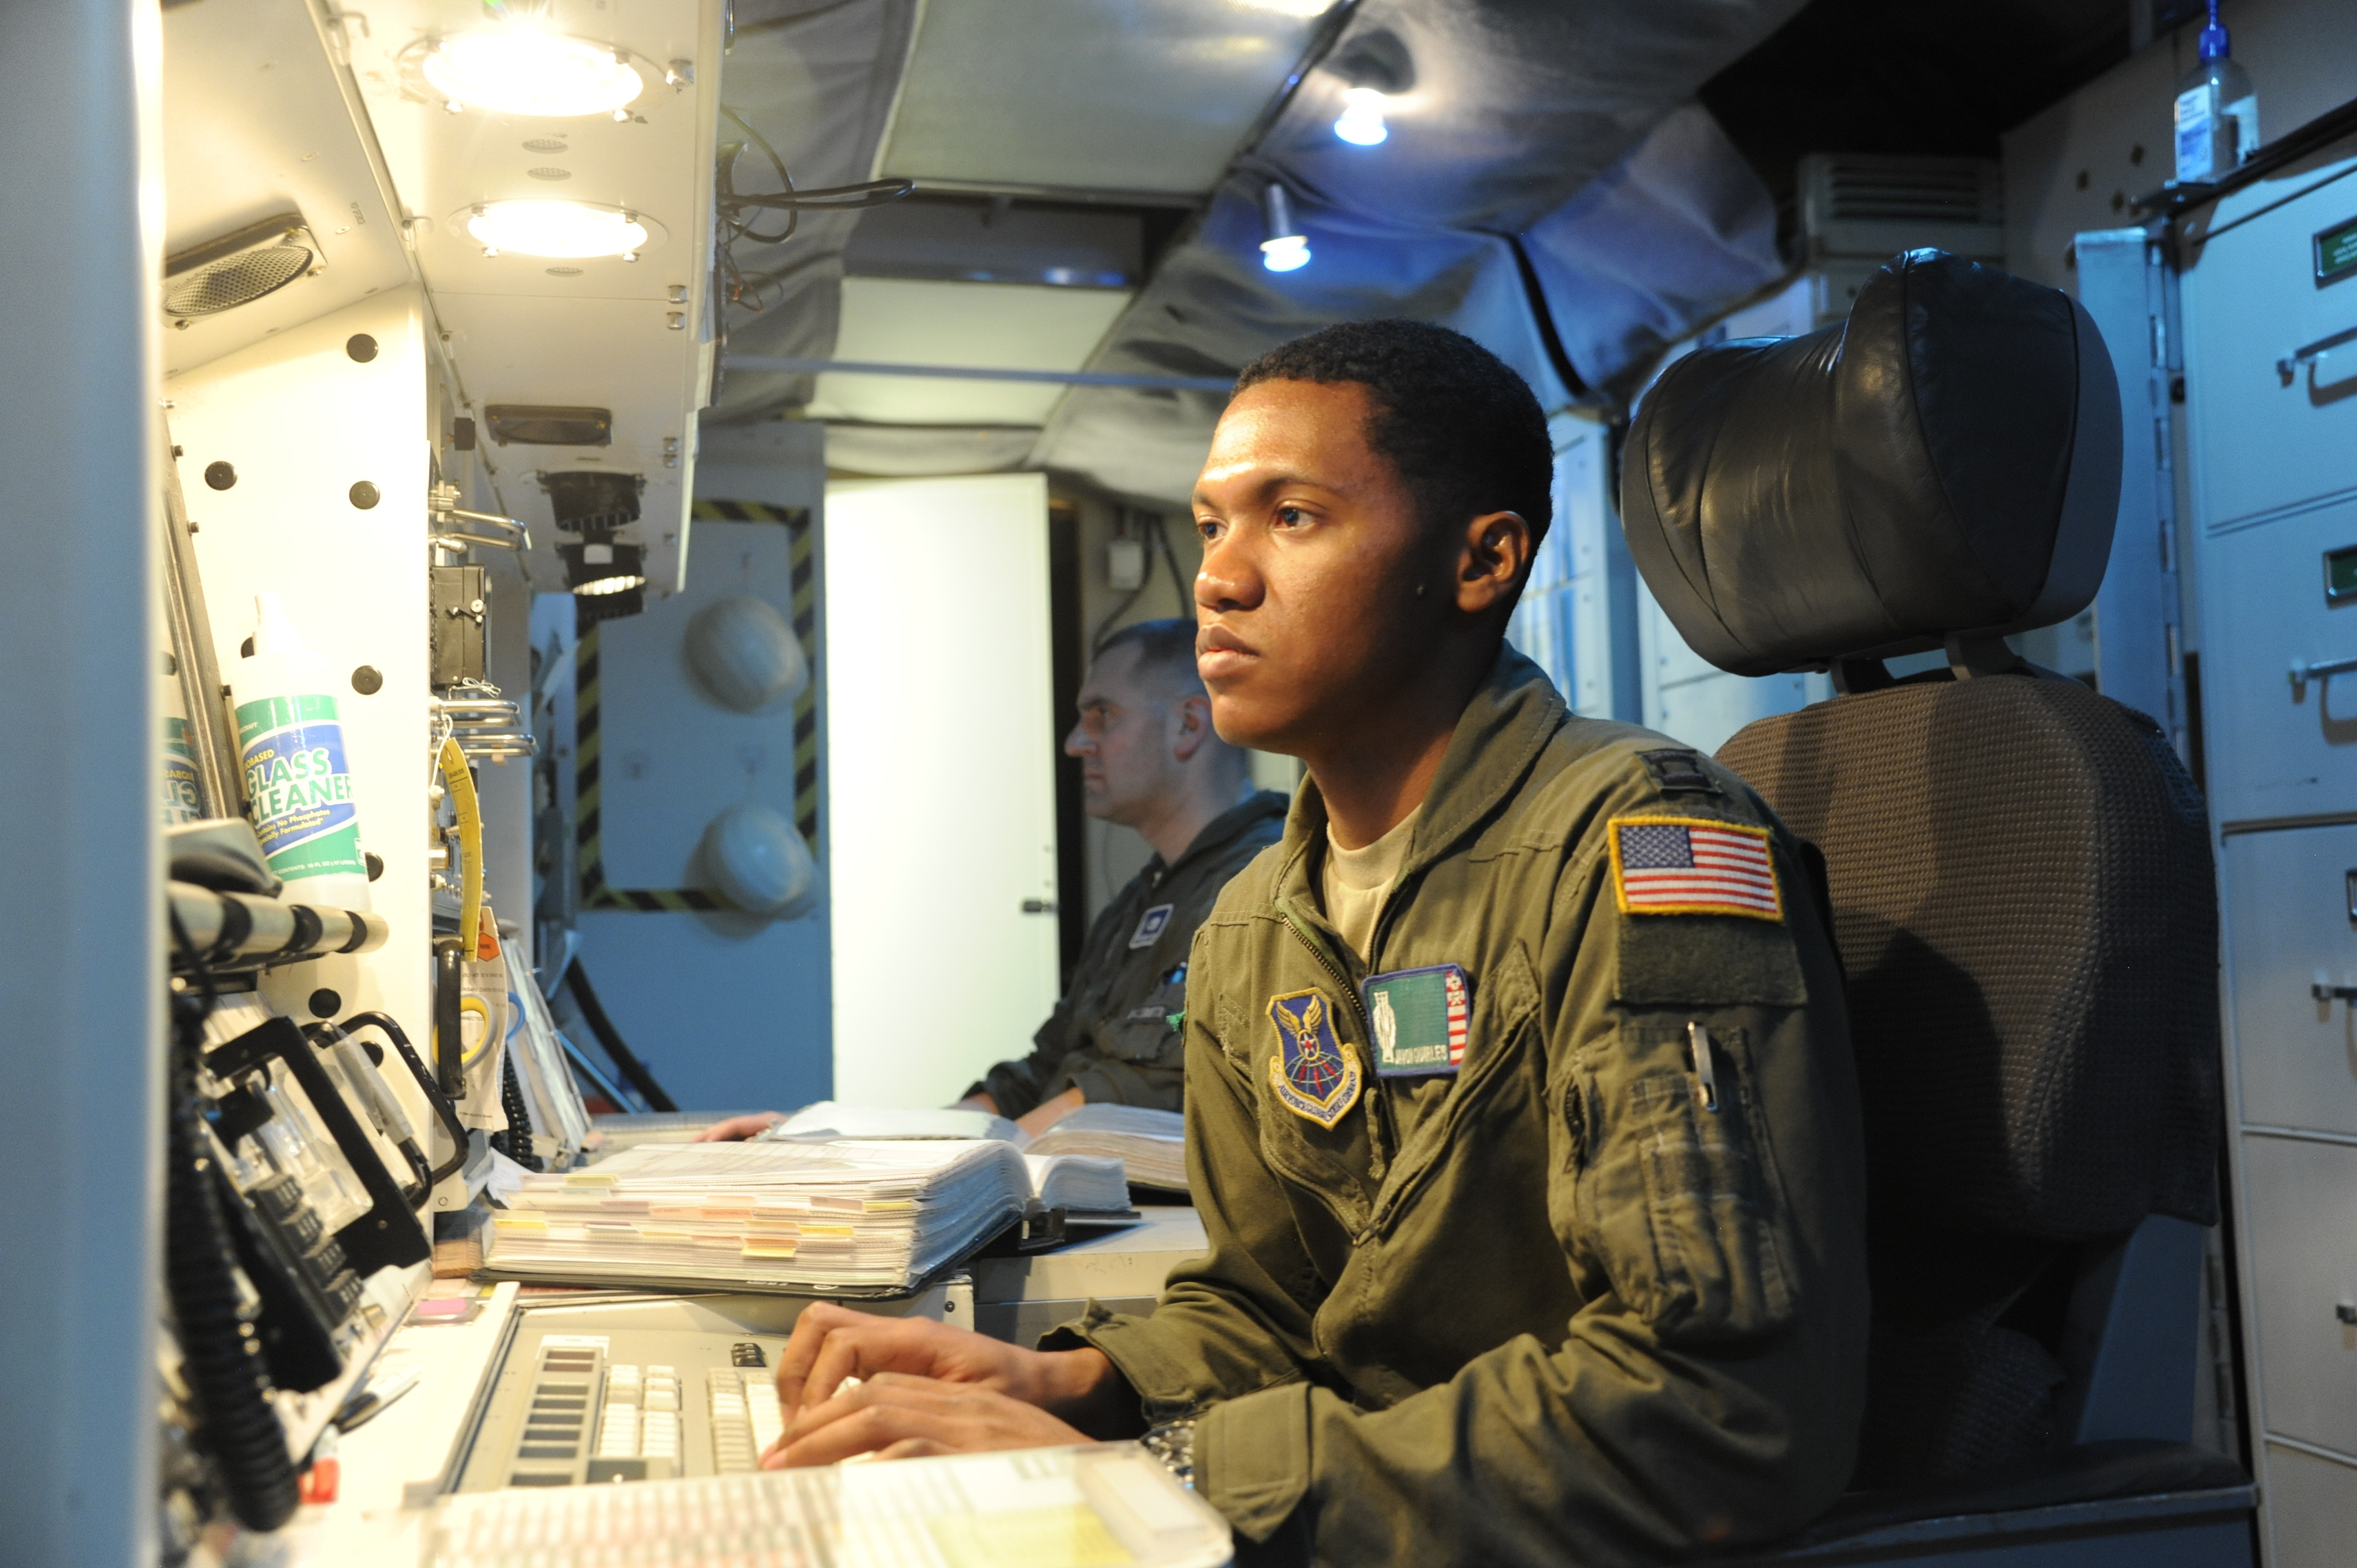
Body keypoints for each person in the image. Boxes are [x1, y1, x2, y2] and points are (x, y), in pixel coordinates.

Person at [748, 320, 1871, 1567]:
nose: (1218, 579)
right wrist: (1068, 1387)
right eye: (1213, 523)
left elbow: (1713, 1411)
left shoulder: (1631, 845)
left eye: (1292, 518)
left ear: (1480, 561)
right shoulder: (1255, 923)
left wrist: (1162, 1475)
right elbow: (1277, 1309)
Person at [697, 618, 1287, 1141]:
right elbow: (1036, 1081)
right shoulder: (1143, 900)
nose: (1075, 743)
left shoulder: (1260, 884)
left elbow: (1143, 1094)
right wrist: (843, 1145)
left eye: (1101, 716)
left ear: (1188, 725)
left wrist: (948, 1167)